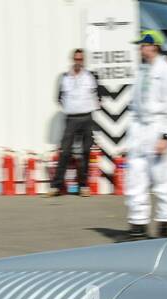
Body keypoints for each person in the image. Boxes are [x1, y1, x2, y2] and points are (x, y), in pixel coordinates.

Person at [124, 33, 167, 239]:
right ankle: (138, 226)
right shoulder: (142, 70)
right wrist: (132, 134)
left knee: (163, 180)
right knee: (135, 178)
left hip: (159, 128)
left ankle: (164, 228)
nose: (140, 49)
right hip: (140, 130)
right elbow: (134, 104)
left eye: (143, 45)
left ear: (154, 46)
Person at [50, 48, 99, 197]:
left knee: (85, 152)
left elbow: (99, 93)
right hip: (71, 119)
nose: (78, 62)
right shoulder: (65, 77)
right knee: (65, 152)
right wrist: (70, 107)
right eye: (76, 59)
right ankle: (56, 187)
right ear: (72, 60)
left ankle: (83, 186)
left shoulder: (90, 76)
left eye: (81, 59)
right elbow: (59, 97)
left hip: (87, 118)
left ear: (83, 61)